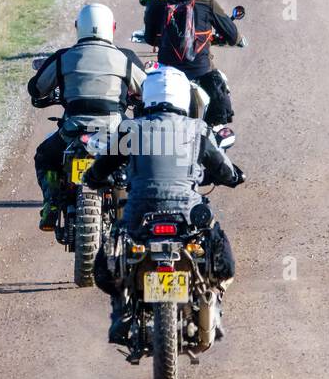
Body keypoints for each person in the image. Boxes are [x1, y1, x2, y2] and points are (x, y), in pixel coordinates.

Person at [83, 66, 244, 345]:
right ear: (184, 98)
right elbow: (224, 170)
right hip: (188, 215)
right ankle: (212, 301)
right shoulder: (199, 129)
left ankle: (122, 310)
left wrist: (93, 177)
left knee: (112, 256)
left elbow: (103, 167)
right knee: (219, 259)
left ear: (148, 97)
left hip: (139, 215)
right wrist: (235, 177)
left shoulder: (131, 128)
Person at [28, 3, 145, 232]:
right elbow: (148, 88)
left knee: (45, 156)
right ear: (111, 28)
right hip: (114, 132)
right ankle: (138, 208)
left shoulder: (64, 57)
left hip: (73, 129)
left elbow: (36, 89)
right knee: (140, 158)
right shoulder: (124, 58)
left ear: (77, 27)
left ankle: (51, 203)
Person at [142, 0, 242, 126]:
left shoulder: (156, 5)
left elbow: (149, 38)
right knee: (219, 94)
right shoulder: (207, 3)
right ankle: (214, 135)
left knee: (145, 99)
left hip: (167, 75)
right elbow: (233, 37)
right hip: (201, 73)